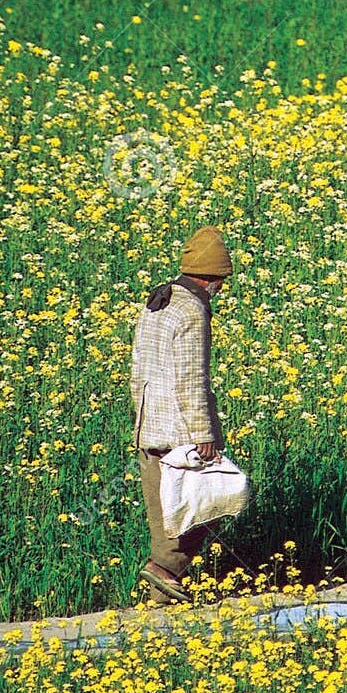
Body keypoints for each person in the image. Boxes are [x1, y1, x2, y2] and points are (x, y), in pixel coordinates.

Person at [128, 226, 233, 604]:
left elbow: (138, 365)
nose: (221, 289)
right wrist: (202, 434)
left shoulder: (159, 299)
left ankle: (160, 600)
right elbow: (191, 378)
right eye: (222, 281)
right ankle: (164, 571)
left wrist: (139, 415)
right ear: (212, 278)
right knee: (213, 500)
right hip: (180, 431)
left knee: (163, 513)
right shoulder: (192, 310)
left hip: (149, 424)